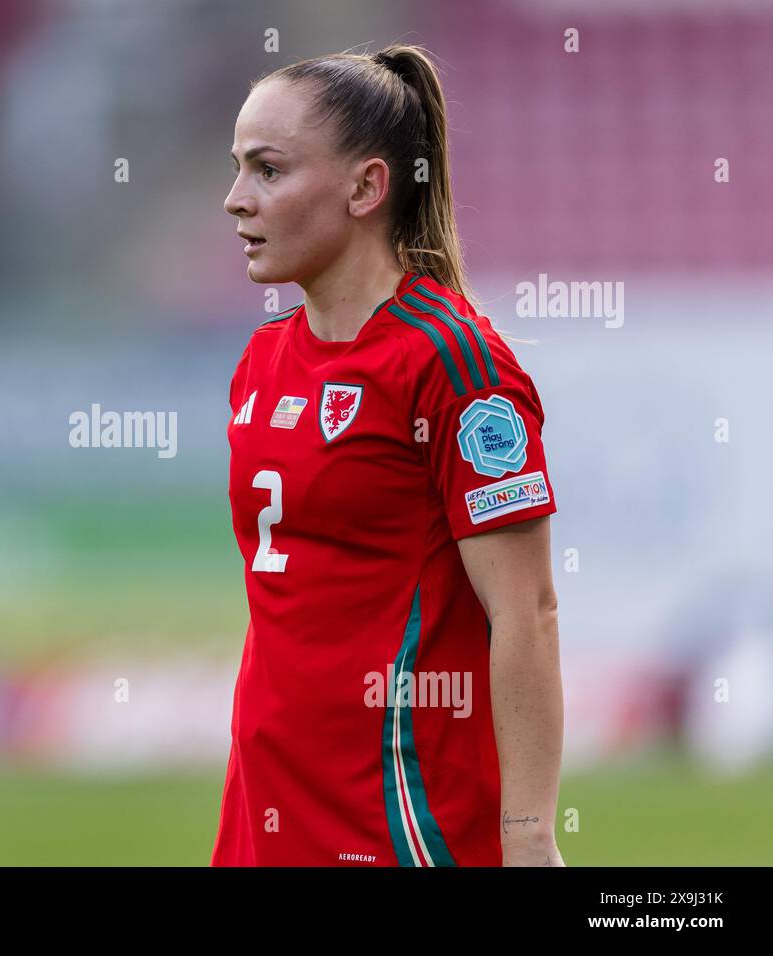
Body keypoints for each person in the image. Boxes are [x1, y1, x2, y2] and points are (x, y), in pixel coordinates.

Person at [213, 45, 564, 866]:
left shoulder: (454, 364)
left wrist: (530, 836)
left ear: (368, 188)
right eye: (235, 169)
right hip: (264, 811)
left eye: (267, 170)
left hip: (404, 823)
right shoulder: (262, 360)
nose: (234, 201)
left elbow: (527, 613)